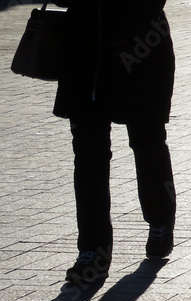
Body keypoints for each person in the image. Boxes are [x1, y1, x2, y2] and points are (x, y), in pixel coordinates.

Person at [52, 0, 177, 285]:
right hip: (85, 57)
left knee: (148, 141)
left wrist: (130, 31)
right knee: (88, 155)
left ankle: (160, 220)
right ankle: (93, 252)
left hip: (141, 49)